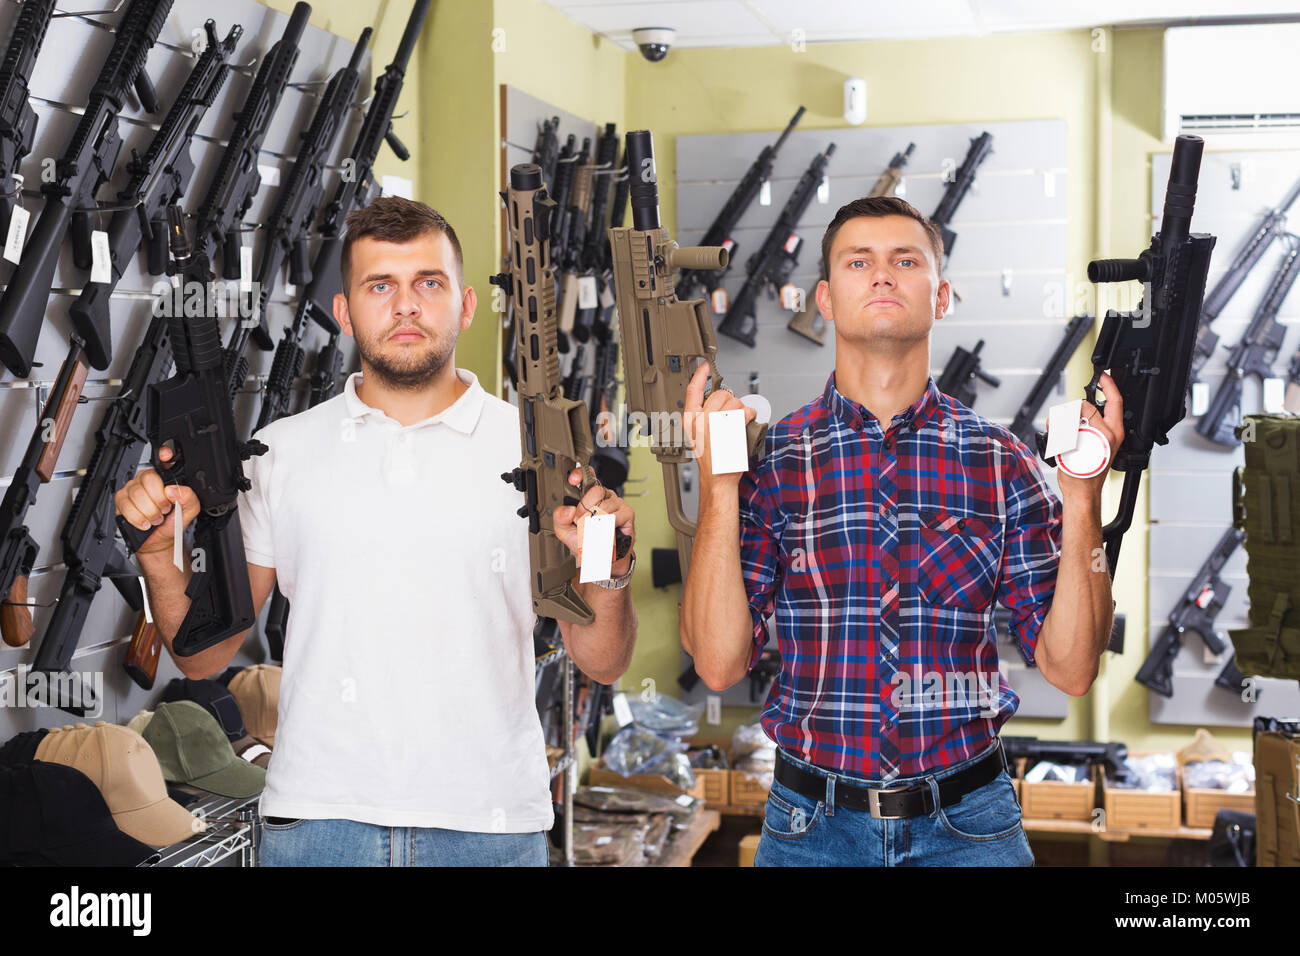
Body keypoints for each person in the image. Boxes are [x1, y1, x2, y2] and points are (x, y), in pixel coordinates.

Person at [115, 196, 638, 867]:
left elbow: (603, 659)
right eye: (379, 286)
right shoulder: (279, 455)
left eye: (429, 283)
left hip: (490, 824)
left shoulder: (539, 452)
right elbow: (203, 657)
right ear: (345, 312)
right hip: (319, 827)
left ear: (466, 305)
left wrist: (611, 574)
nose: (406, 306)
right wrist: (161, 560)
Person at [679, 195, 1123, 867]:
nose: (881, 275)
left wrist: (1084, 500)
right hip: (811, 831)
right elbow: (716, 663)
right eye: (859, 262)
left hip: (970, 826)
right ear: (824, 298)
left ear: (940, 296)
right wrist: (718, 487)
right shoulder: (775, 462)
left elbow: (1071, 667)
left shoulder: (1002, 463)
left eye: (904, 260)